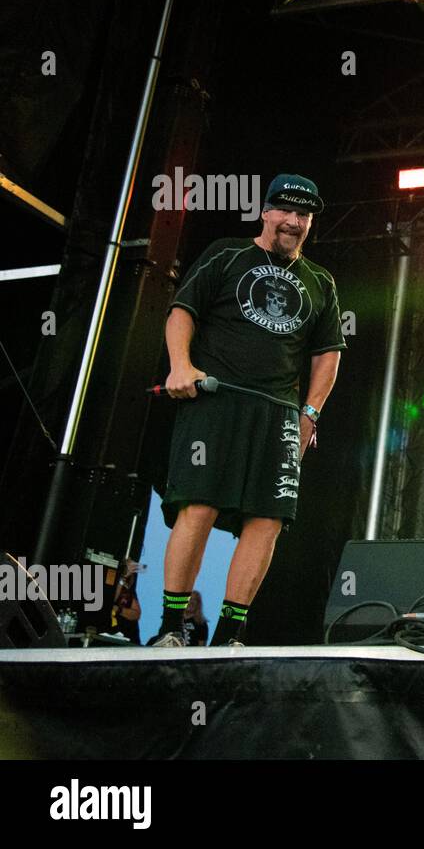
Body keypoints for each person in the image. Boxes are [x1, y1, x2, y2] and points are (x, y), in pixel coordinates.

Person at [155, 173, 346, 647]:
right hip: (216, 401)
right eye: (285, 210)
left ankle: (229, 636)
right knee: (199, 506)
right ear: (265, 211)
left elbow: (328, 353)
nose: (294, 221)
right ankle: (170, 629)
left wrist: (310, 415)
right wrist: (181, 366)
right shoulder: (227, 254)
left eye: (303, 215)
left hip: (279, 415)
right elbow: (182, 311)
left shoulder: (320, 281)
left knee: (268, 520)